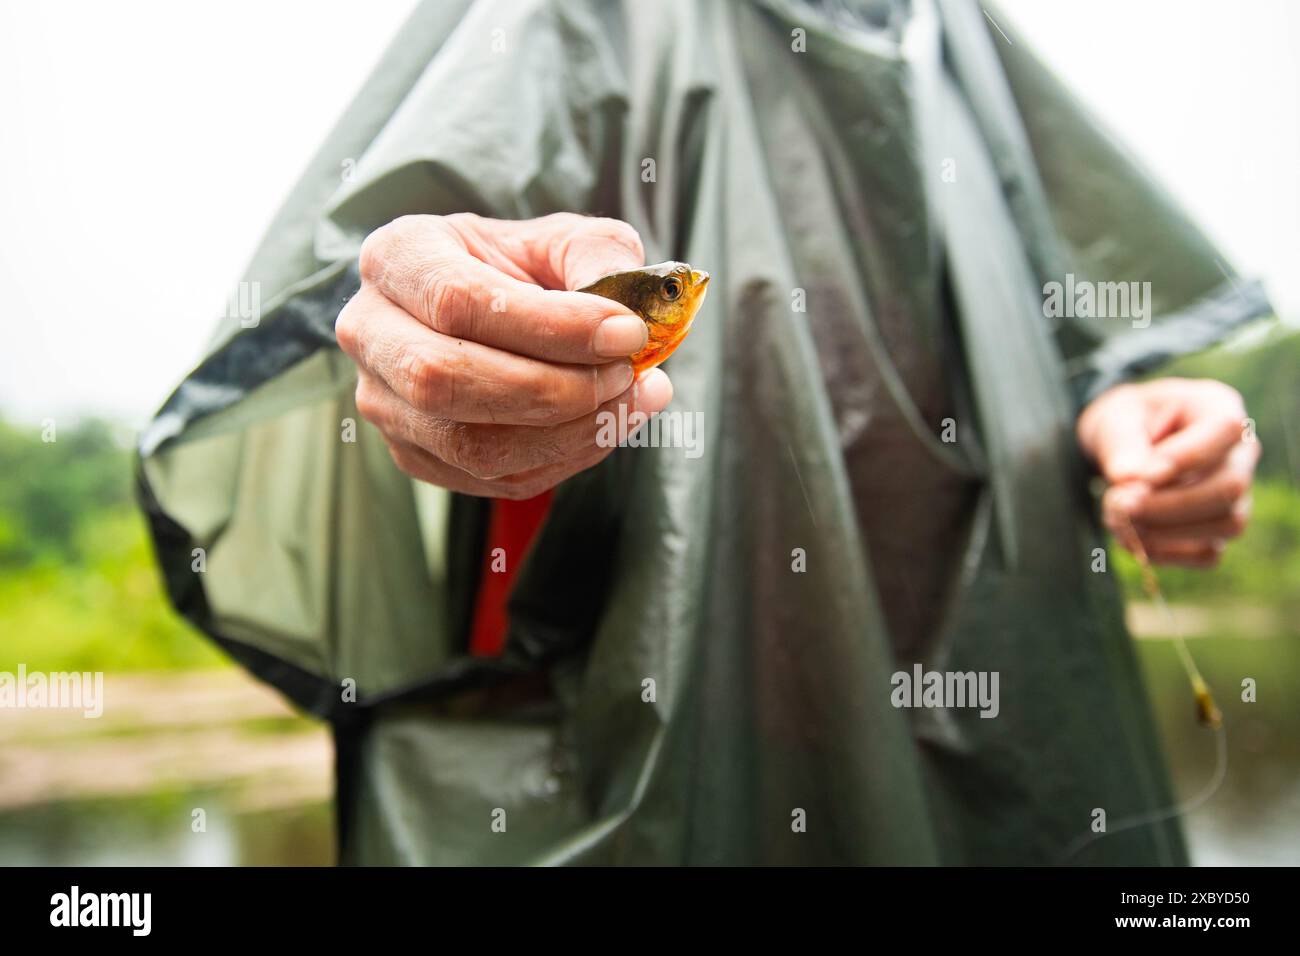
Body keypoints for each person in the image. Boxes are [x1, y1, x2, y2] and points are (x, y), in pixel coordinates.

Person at [139, 0, 1269, 864]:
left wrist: (1117, 419)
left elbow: (1044, 334)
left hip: (1022, 733)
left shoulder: (953, 35)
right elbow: (395, 255)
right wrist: (428, 323)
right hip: (679, 733)